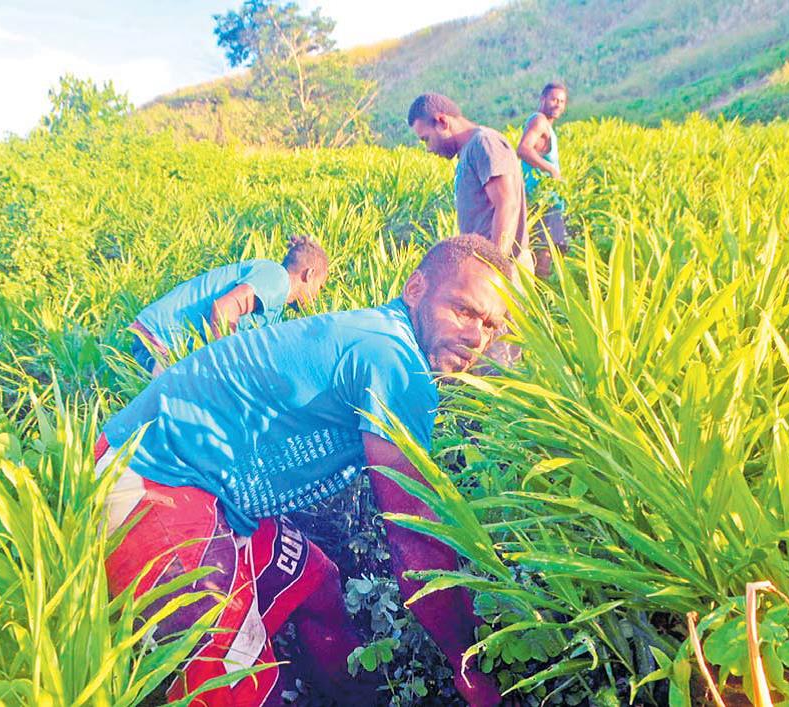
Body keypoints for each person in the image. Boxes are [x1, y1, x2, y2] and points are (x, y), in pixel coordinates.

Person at [97, 235, 512, 706]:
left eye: (490, 325)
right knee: (235, 681)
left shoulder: (383, 336)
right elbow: (415, 537)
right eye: (463, 310)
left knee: (314, 583)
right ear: (415, 289)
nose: (476, 337)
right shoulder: (393, 360)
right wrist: (470, 666)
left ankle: (360, 698)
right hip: (153, 480)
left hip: (212, 491)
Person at [128, 235, 329, 374]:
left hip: (159, 341)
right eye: (320, 287)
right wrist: (228, 366)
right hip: (159, 340)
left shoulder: (275, 308)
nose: (317, 297)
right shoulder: (276, 277)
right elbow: (224, 308)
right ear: (309, 274)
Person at [407, 93, 532, 274]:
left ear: (442, 122)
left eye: (426, 139)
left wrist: (495, 268)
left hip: (504, 269)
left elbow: (506, 204)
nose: (428, 149)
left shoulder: (484, 143)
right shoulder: (470, 150)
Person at [517, 82, 569, 277]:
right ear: (543, 99)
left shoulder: (546, 125)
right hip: (542, 200)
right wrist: (551, 170)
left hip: (550, 200)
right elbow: (523, 149)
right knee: (544, 250)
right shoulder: (538, 121)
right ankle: (540, 291)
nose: (558, 104)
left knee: (554, 249)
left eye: (562, 101)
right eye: (554, 99)